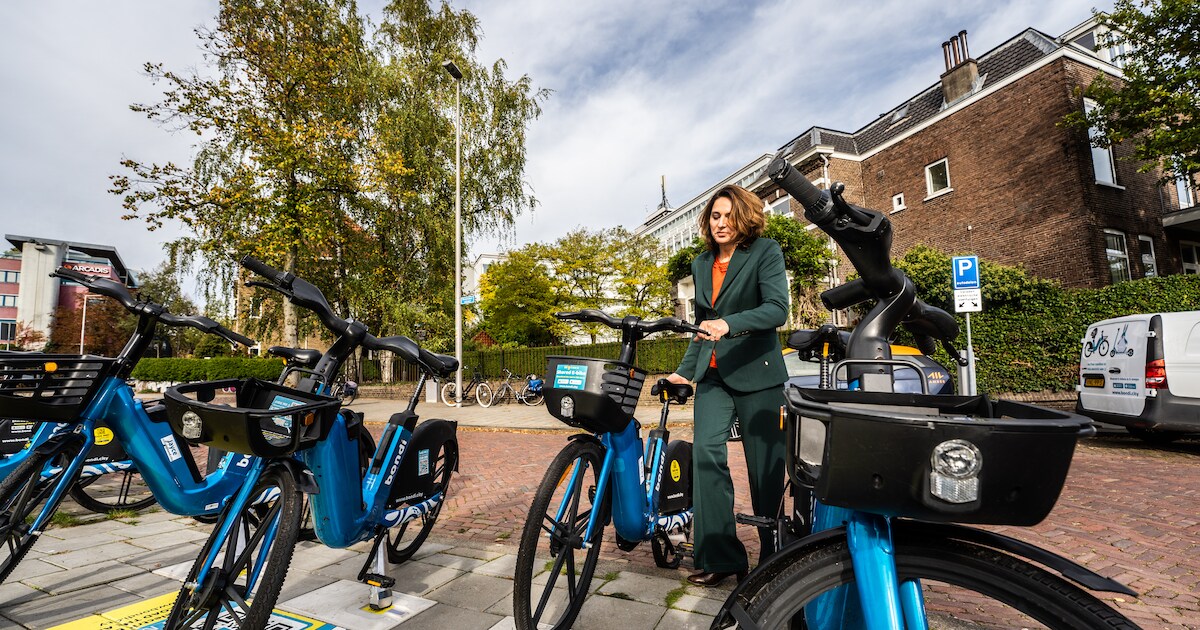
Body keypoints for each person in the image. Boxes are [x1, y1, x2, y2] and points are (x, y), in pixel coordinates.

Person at [667, 184, 788, 587]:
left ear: (744, 218)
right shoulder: (702, 264)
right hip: (714, 376)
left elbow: (777, 309)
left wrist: (730, 323)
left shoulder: (765, 251)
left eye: (728, 215)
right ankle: (721, 557)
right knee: (705, 456)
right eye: (715, 216)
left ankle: (774, 558)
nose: (721, 223)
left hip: (759, 374)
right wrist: (685, 371)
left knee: (766, 468)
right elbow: (701, 327)